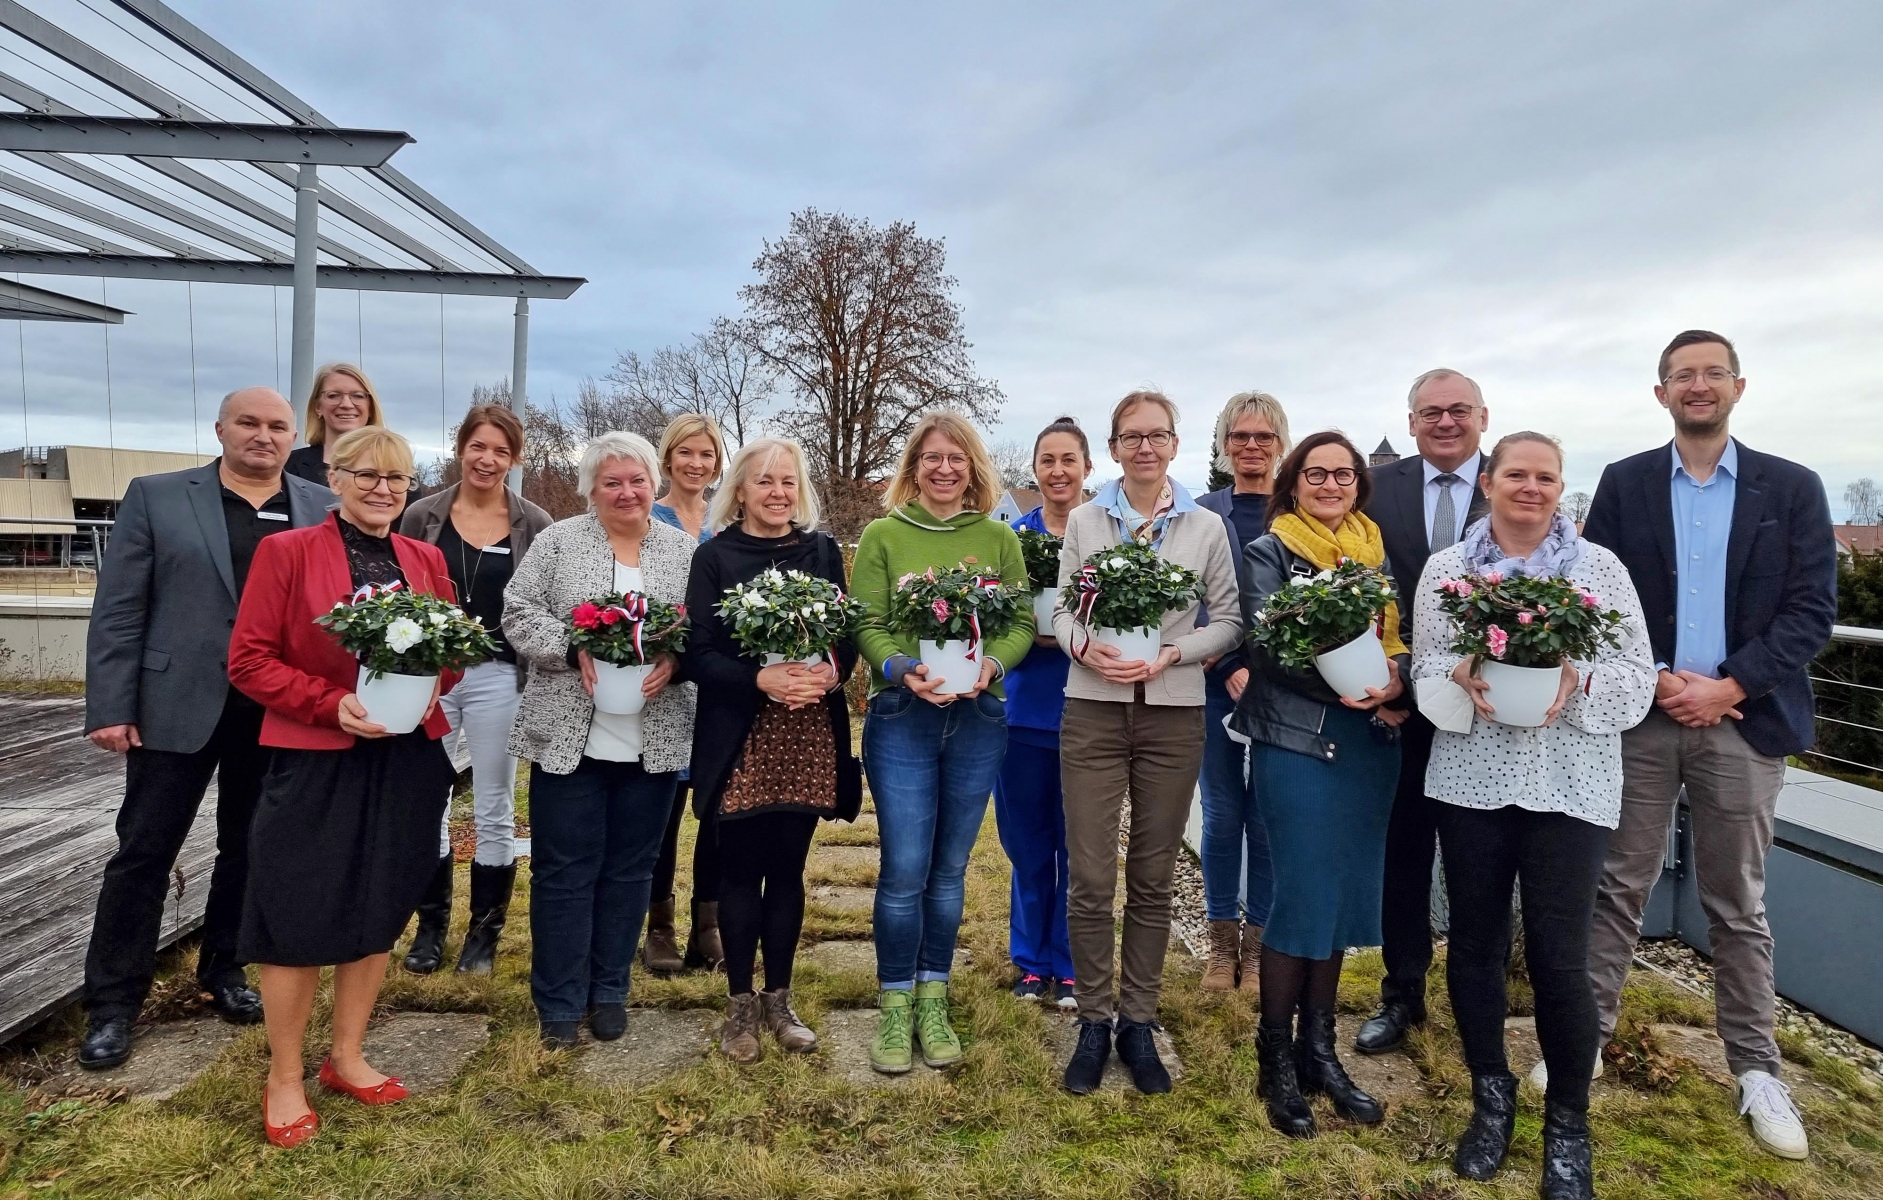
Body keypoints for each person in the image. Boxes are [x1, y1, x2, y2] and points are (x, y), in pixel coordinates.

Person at [1578, 330, 1836, 1161]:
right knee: (1617, 885)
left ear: (1737, 386)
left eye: (1710, 373)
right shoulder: (1623, 484)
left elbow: (1810, 610)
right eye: (1680, 376)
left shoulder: (1791, 488)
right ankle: (1582, 1040)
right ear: (1660, 394)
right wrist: (1653, 676)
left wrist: (1729, 684)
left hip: (1742, 721)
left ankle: (1756, 1070)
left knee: (1737, 903)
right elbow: (1595, 596)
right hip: (1643, 716)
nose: (1697, 386)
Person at [1411, 433, 1654, 1200]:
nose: (1530, 487)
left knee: (1559, 957)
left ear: (1560, 488)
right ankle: (1491, 1097)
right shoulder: (1447, 572)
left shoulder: (1598, 570)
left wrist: (1575, 679)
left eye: (1545, 477)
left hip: (1569, 785)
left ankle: (1568, 1127)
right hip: (1472, 780)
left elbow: (1634, 676)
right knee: (1474, 944)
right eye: (1515, 473)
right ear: (1487, 481)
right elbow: (1422, 666)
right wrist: (1454, 668)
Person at [77, 388, 333, 1071]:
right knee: (143, 853)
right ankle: (111, 1003)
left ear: (291, 436)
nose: (263, 435)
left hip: (274, 710)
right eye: (248, 423)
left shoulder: (320, 508)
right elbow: (119, 608)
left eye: (277, 426)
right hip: (174, 705)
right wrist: (109, 703)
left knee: (250, 849)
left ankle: (224, 971)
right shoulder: (158, 496)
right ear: (220, 428)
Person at [227, 426, 461, 1147]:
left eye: (397, 478)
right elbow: (249, 660)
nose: (383, 489)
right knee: (296, 912)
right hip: (318, 753)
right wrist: (331, 706)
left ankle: (347, 1055)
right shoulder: (286, 552)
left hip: (404, 759)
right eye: (366, 475)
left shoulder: (425, 559)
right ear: (334, 475)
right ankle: (286, 1074)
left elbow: (448, 653)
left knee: (379, 902)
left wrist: (430, 690)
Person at [1054, 390, 1243, 1096]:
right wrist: (1085, 650)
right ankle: (1093, 1020)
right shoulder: (1085, 519)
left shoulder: (1202, 526)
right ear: (1113, 448)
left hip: (1171, 713)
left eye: (1156, 435)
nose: (1143, 447)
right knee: (1092, 874)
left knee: (1153, 874)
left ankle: (1138, 1019)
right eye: (1130, 436)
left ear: (1173, 445)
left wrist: (1173, 654)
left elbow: (1226, 620)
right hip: (1094, 710)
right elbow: (1066, 611)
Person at [1233, 430, 1407, 1138]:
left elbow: (1398, 640)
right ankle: (1274, 1058)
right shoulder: (1267, 550)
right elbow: (1269, 647)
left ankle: (1318, 1053)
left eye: (1342, 474)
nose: (1329, 484)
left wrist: (1395, 680)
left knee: (1334, 906)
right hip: (1298, 741)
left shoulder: (1376, 552)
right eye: (1315, 473)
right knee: (1301, 902)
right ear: (1292, 481)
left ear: (1359, 484)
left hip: (1369, 748)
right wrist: (1360, 689)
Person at [852, 412, 1034, 1075]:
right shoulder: (882, 535)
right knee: (904, 869)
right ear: (913, 466)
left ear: (974, 467)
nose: (944, 468)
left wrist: (992, 667)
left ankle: (935, 992)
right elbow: (867, 621)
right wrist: (903, 670)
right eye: (930, 457)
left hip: (978, 718)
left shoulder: (996, 539)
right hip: (903, 713)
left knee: (950, 870)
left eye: (956, 458)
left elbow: (1015, 623)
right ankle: (896, 1002)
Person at [503, 431, 698, 1048]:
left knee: (631, 870)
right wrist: (571, 645)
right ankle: (559, 1000)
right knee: (564, 870)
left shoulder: (683, 552)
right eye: (611, 481)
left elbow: (707, 630)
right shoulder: (558, 542)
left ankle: (610, 989)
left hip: (654, 736)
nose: (625, 492)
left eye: (636, 480)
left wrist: (679, 662)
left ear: (652, 484)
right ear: (591, 488)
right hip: (568, 734)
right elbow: (518, 612)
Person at [682, 437, 860, 1061]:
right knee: (739, 871)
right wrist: (758, 678)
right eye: (764, 481)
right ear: (741, 490)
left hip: (808, 731)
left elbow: (846, 635)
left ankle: (779, 999)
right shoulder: (715, 557)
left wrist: (833, 672)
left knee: (787, 870)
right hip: (742, 735)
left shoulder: (822, 551)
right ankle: (739, 1006)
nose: (777, 492)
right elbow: (698, 653)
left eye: (788, 481)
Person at [1354, 367, 1489, 1055]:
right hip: (1398, 709)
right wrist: (1390, 684)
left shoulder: (1515, 483)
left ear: (1482, 417)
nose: (1444, 422)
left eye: (1457, 410)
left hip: (1488, 710)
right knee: (1402, 857)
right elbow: (1359, 587)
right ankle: (1400, 993)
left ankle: (1477, 1001)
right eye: (1430, 411)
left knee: (1478, 865)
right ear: (1409, 422)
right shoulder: (1380, 489)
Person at [397, 404, 552, 975]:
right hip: (430, 678)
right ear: (461, 447)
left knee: (492, 801)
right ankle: (430, 926)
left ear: (515, 458)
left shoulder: (534, 524)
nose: (487, 460)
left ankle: (483, 935)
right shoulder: (421, 516)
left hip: (497, 677)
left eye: (501, 451)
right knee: (426, 797)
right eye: (477, 446)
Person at [1193, 390, 1291, 993]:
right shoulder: (1204, 512)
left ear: (1280, 444)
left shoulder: (1300, 512)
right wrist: (1227, 662)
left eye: (1263, 437)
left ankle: (1258, 950)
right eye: (1240, 437)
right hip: (1213, 685)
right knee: (1222, 813)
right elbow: (1190, 598)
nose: (1251, 447)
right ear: (1226, 445)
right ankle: (1220, 947)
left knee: (1267, 816)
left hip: (1284, 694)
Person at [992, 416, 1092, 1007]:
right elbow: (994, 620)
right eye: (1047, 460)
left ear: (1086, 469)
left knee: (1080, 850)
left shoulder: (1104, 537)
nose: (1058, 471)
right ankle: (1031, 963)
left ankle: (1072, 961)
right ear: (1035, 469)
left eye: (1069, 460)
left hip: (1088, 711)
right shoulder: (1011, 538)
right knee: (1028, 846)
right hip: (1024, 712)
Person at [644, 413, 727, 974]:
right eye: (686, 453)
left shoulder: (728, 524)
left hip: (719, 690)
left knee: (718, 812)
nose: (696, 464)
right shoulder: (648, 519)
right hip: (666, 689)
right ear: (668, 458)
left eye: (706, 454)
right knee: (663, 813)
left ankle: (709, 924)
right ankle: (658, 926)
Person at [283, 363, 387, 489]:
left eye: (357, 396)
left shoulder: (396, 468)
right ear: (318, 407)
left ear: (370, 407)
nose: (346, 404)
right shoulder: (287, 466)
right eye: (334, 395)